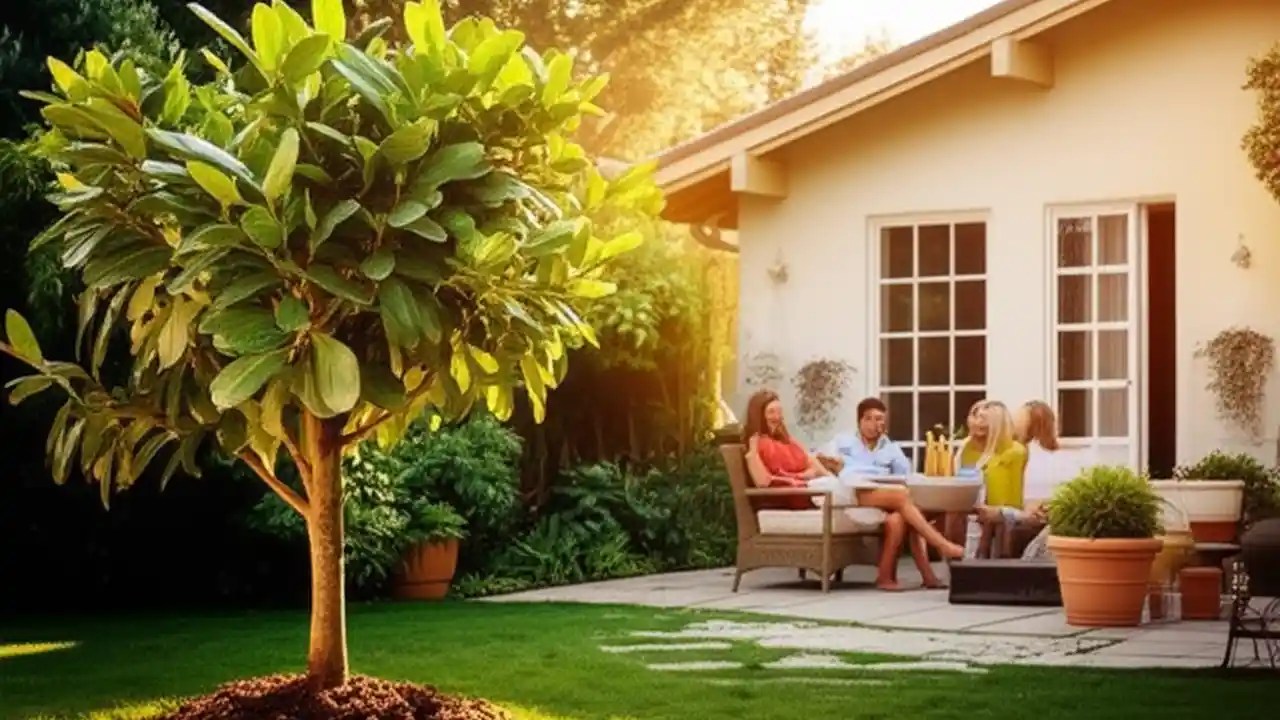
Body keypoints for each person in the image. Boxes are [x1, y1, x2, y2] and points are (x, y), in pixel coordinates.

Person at [742, 390, 964, 590]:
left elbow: (817, 468)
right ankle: (941, 544)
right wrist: (754, 453)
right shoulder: (757, 445)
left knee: (897, 515)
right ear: (758, 415)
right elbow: (762, 482)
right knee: (901, 496)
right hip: (809, 495)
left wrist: (802, 474)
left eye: (779, 411)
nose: (777, 417)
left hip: (824, 487)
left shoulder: (790, 442)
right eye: (771, 412)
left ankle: (886, 577)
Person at [817, 397, 945, 589]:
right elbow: (819, 459)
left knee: (898, 519)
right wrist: (832, 466)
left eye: (879, 419)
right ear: (859, 421)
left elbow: (906, 476)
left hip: (884, 497)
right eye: (868, 419)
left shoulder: (891, 448)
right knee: (906, 509)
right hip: (855, 496)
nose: (874, 424)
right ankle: (934, 556)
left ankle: (887, 577)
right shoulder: (842, 442)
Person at [960, 400, 1029, 557]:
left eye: (984, 417)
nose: (978, 422)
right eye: (974, 415)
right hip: (971, 508)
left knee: (993, 520)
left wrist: (995, 511)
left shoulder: (1014, 451)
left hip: (1004, 511)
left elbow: (1010, 499)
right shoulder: (964, 449)